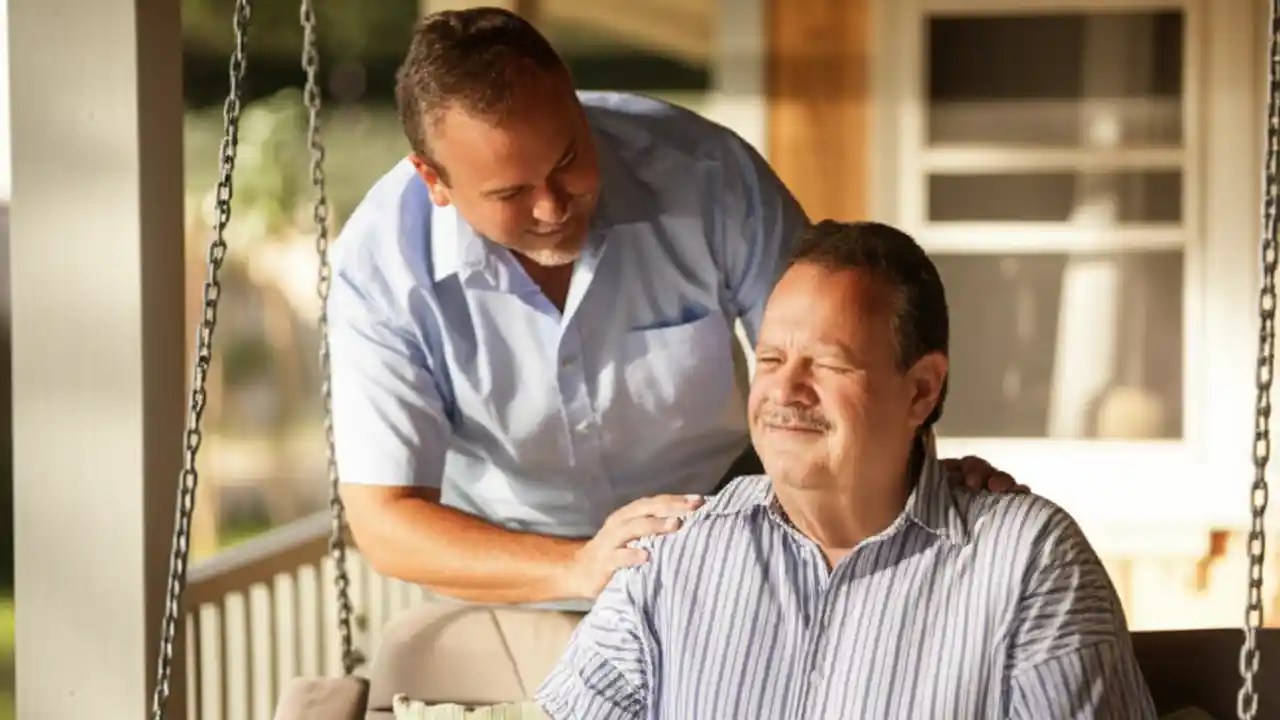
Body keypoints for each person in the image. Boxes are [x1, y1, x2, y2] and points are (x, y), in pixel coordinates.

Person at [329, 7, 1018, 704]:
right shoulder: (381, 268)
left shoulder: (709, 176)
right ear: (434, 180)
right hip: (515, 579)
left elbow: (837, 358)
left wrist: (914, 476)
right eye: (511, 193)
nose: (552, 207)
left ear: (573, 98)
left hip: (727, 551)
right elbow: (387, 522)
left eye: (567, 161)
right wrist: (581, 567)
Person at [537, 220, 1155, 719]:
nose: (785, 390)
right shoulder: (668, 558)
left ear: (921, 390)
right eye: (770, 358)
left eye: (828, 365)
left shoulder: (1028, 562)